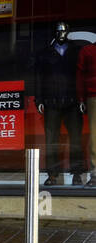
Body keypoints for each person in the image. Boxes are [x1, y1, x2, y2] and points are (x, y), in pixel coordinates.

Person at [31, 22, 87, 185]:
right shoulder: (45, 54)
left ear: (68, 33)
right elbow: (38, 78)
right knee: (51, 140)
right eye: (58, 31)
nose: (61, 34)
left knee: (76, 140)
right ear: (54, 33)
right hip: (51, 101)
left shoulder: (76, 51)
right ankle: (52, 174)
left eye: (64, 32)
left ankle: (77, 173)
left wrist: (81, 99)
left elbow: (82, 76)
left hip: (73, 101)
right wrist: (39, 99)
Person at [80, 39, 96, 186]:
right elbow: (81, 75)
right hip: (94, 96)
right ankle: (95, 173)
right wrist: (81, 98)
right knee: (95, 136)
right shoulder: (88, 51)